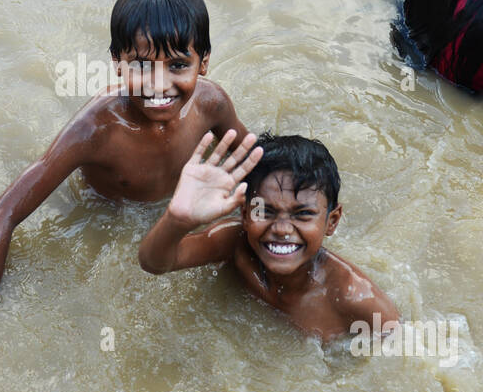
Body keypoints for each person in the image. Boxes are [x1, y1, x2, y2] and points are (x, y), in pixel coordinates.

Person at [0, 0, 247, 295]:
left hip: (179, 210)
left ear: (204, 63)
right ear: (117, 63)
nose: (158, 84)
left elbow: (253, 160)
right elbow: (3, 214)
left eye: (178, 65)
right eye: (141, 66)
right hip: (106, 212)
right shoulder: (95, 129)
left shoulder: (211, 104)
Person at [138, 130, 399, 342]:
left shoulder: (357, 299)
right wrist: (177, 219)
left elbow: (397, 360)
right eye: (266, 211)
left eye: (303, 214)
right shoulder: (234, 241)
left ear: (332, 221)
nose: (282, 229)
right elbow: (154, 263)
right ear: (244, 212)